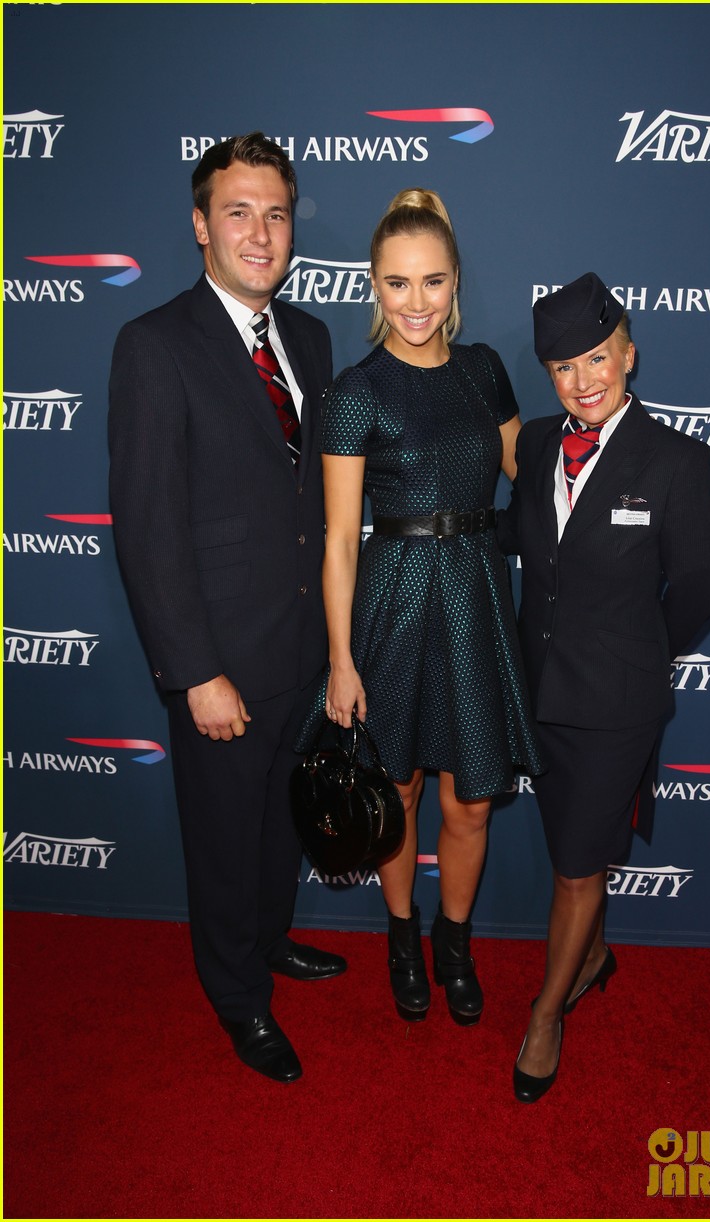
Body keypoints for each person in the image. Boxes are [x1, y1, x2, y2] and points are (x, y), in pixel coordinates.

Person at [108, 132, 345, 1085]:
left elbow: (319, 500)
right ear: (200, 224)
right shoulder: (154, 345)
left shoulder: (314, 337)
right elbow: (147, 527)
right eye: (238, 211)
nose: (260, 232)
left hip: (299, 645)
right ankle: (238, 998)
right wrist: (194, 671)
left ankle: (270, 940)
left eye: (276, 213)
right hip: (218, 659)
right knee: (219, 835)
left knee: (279, 823)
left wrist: (337, 645)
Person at [303, 188, 542, 1026]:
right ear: (373, 285)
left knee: (469, 800)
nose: (416, 303)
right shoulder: (354, 392)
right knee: (396, 791)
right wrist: (341, 659)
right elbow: (338, 540)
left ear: (455, 283)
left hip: (475, 592)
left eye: (432, 282)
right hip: (394, 599)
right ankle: (402, 938)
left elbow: (529, 472)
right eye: (397, 284)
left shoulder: (482, 371)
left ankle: (454, 941)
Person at [498, 272, 710, 1101]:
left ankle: (547, 1014)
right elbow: (522, 543)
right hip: (540, 697)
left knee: (573, 871)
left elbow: (701, 591)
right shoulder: (531, 450)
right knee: (573, 853)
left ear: (628, 353)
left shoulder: (675, 462)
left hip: (615, 709)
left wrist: (632, 658)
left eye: (596, 357)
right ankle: (592, 955)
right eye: (562, 366)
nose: (582, 380)